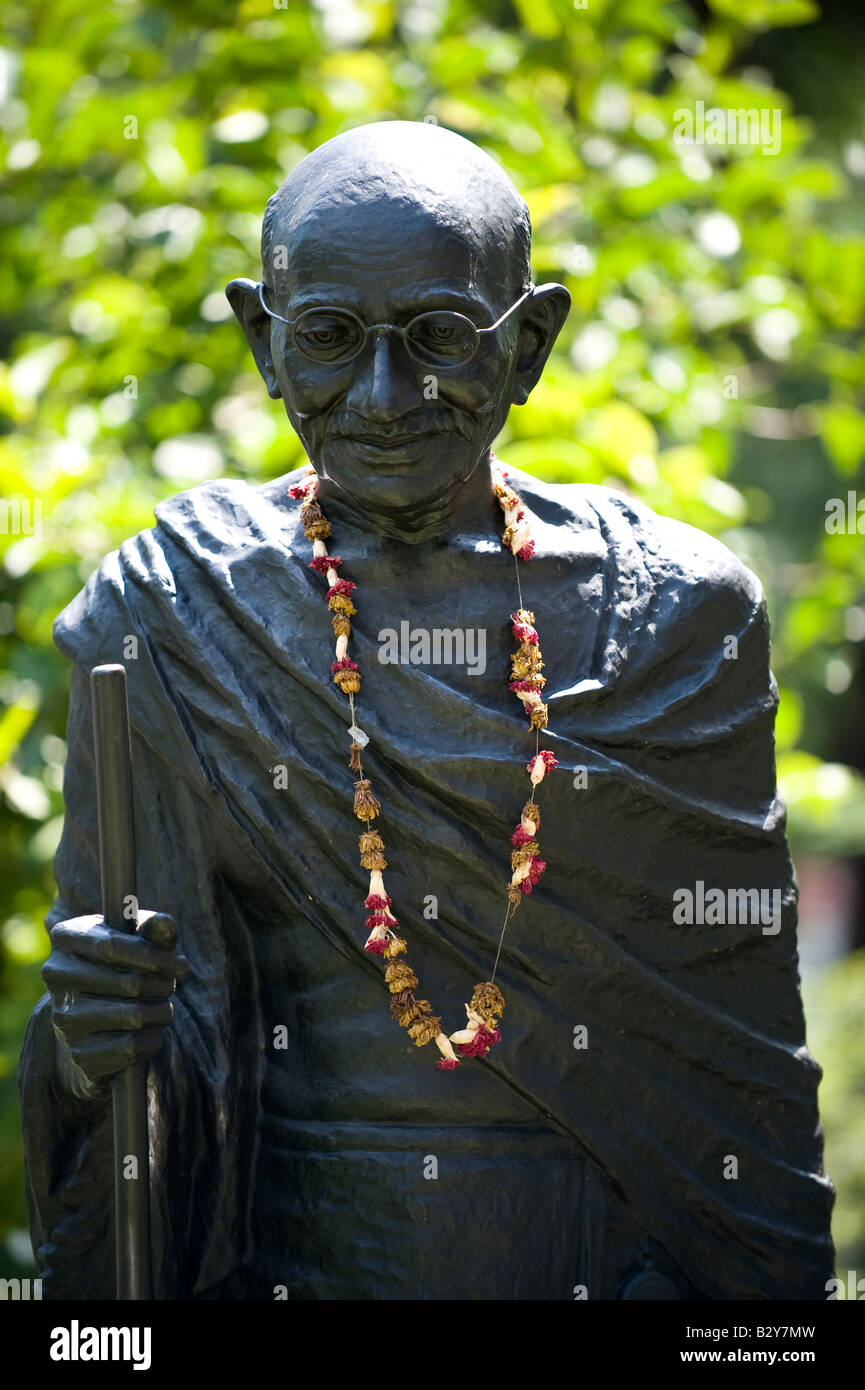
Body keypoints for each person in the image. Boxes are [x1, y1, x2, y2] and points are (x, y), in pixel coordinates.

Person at [19, 120, 834, 1300]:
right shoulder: (170, 613)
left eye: (444, 335)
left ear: (533, 340)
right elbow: (131, 1052)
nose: (387, 397)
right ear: (263, 341)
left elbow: (738, 1093)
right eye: (331, 340)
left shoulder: (668, 617)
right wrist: (88, 1049)